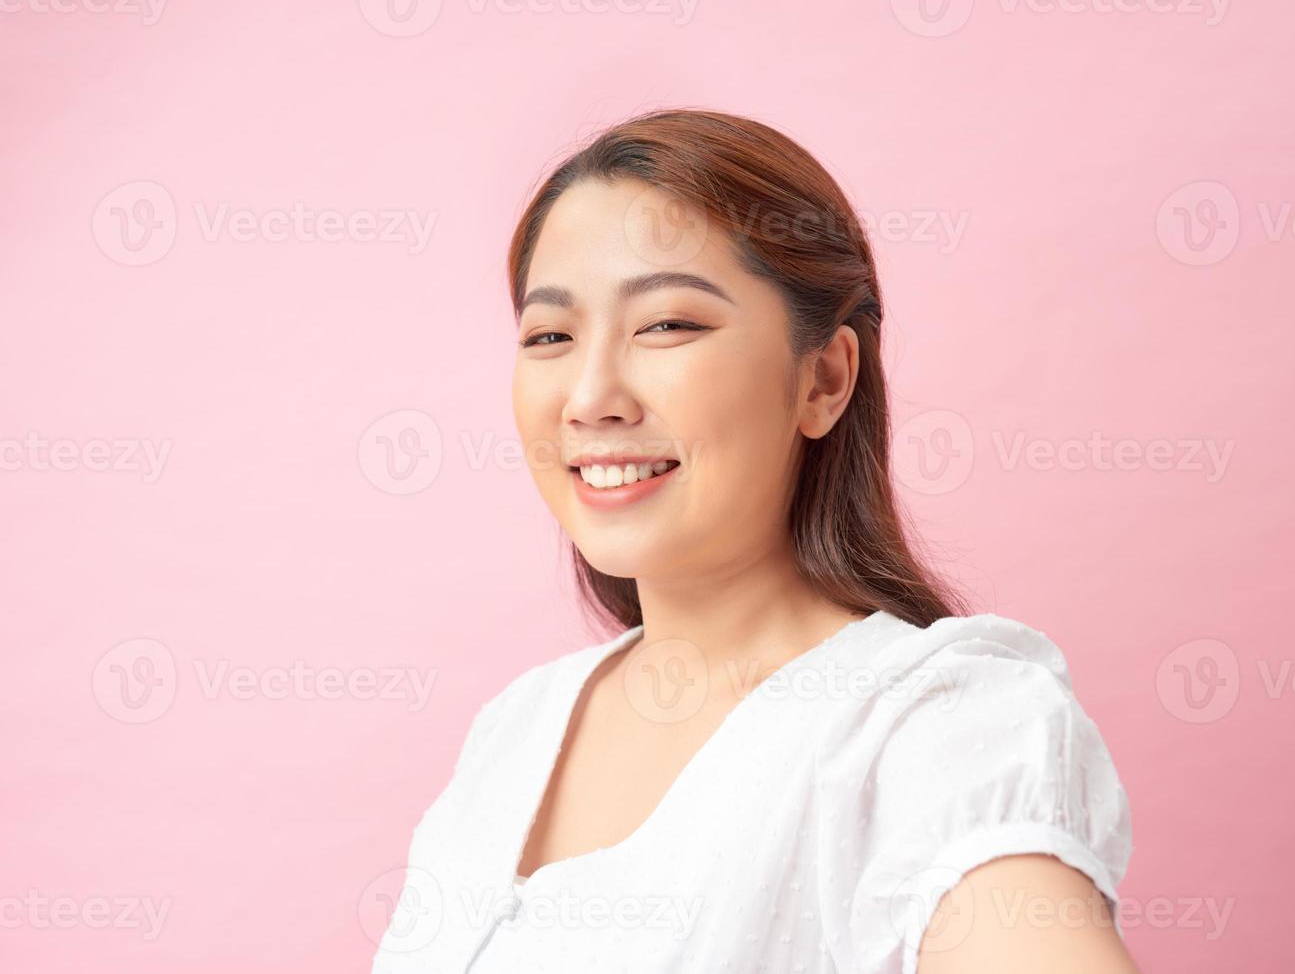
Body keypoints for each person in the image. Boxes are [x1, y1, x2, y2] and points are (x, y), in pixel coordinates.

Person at [371, 107, 1137, 973]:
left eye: (666, 325)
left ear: (824, 378)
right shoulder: (514, 727)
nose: (590, 397)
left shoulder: (925, 728)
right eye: (550, 336)